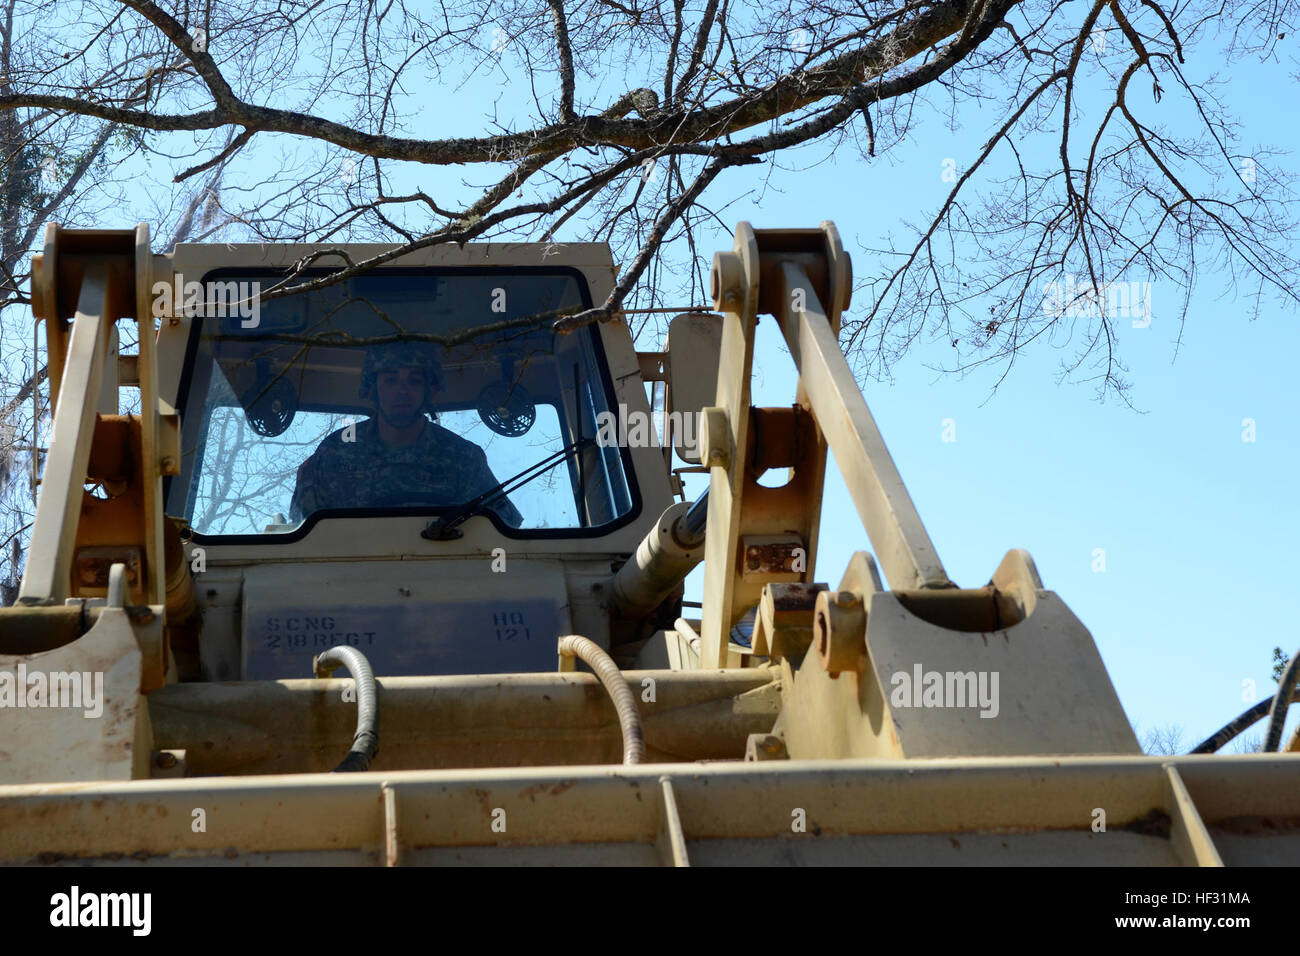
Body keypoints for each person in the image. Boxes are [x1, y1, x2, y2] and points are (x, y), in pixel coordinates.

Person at [289, 342, 523, 526]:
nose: (402, 390)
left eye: (414, 380)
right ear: (373, 389)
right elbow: (302, 527)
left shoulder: (462, 457)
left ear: (429, 390)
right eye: (391, 380)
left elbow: (505, 525)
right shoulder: (335, 452)